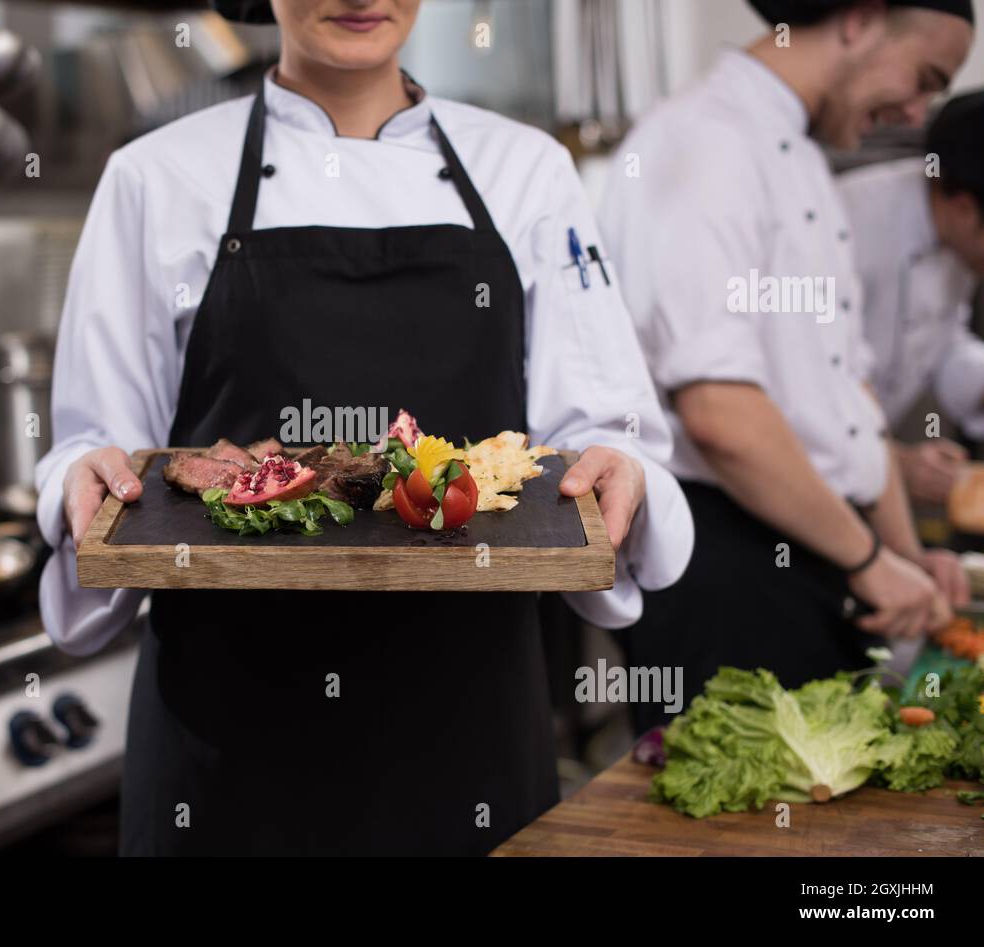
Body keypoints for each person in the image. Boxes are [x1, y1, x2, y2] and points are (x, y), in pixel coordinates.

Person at [36, 0, 692, 855]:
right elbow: (98, 445)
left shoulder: (527, 170)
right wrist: (82, 480)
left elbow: (608, 426)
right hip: (228, 736)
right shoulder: (153, 178)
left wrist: (621, 470)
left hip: (469, 726)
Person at [598, 0, 974, 734]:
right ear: (861, 20)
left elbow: (849, 394)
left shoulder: (798, 152)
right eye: (924, 77)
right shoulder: (702, 143)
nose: (918, 110)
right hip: (726, 567)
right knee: (734, 831)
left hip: (814, 549)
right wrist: (869, 556)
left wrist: (907, 553)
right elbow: (720, 411)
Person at [840, 90, 984, 509]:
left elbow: (941, 340)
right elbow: (802, 383)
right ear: (964, 208)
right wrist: (894, 462)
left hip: (861, 482)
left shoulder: (958, 235)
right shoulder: (848, 221)